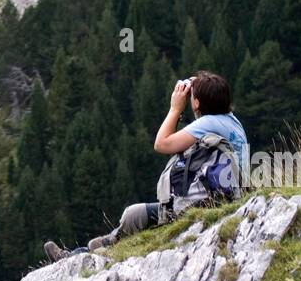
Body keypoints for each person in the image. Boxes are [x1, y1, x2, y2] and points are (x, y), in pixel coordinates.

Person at [44, 70, 248, 262]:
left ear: (196, 103)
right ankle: (100, 245)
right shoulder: (232, 122)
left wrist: (175, 108)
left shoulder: (208, 123)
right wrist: (204, 87)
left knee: (133, 214)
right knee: (135, 224)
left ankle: (80, 256)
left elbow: (162, 143)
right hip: (227, 198)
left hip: (202, 205)